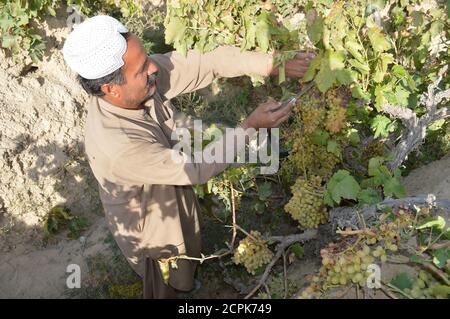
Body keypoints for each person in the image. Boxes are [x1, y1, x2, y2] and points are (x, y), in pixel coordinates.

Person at [62, 15, 313, 298]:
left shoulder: (136, 83)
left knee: (188, 253)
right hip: (153, 230)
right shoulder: (118, 145)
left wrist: (272, 64)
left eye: (147, 58)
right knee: (166, 279)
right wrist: (250, 128)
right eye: (143, 68)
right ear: (111, 88)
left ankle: (189, 282)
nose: (154, 67)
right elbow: (192, 169)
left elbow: (207, 62)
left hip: (171, 189)